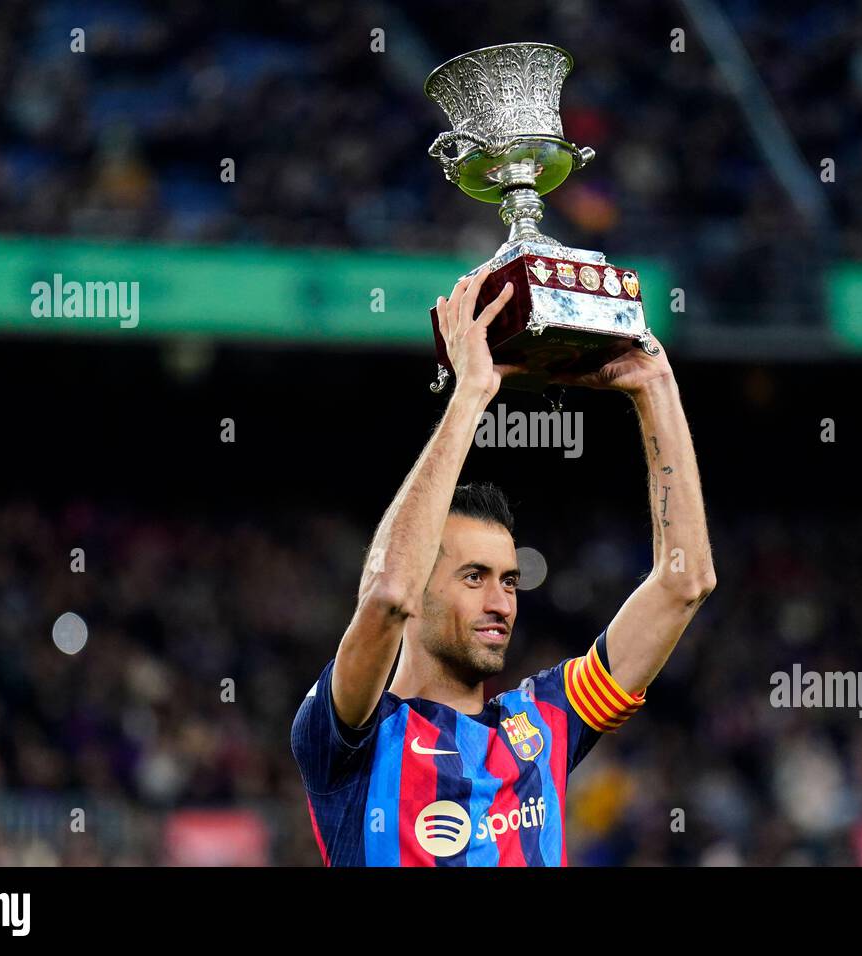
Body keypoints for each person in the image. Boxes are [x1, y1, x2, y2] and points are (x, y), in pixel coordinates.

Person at [291, 265, 715, 865]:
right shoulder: (349, 736)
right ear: (422, 589)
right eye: (474, 577)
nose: (501, 603)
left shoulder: (545, 721)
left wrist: (656, 390)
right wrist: (472, 394)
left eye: (509, 581)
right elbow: (387, 595)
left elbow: (684, 583)